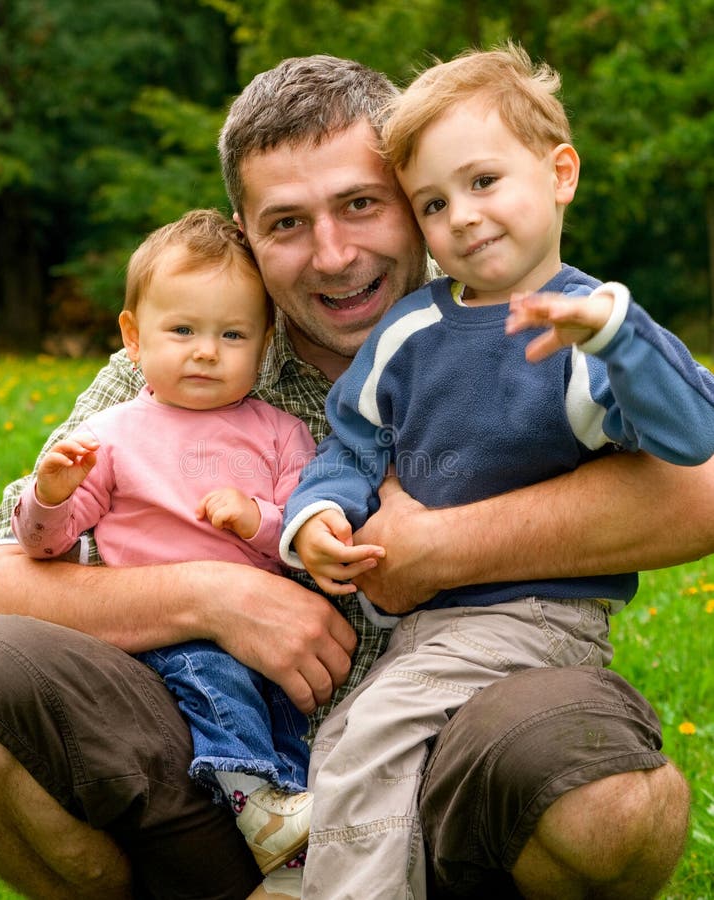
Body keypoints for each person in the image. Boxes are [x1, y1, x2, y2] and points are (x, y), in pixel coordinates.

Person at [0, 53, 708, 900]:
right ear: (243, 229)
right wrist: (215, 598)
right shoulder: (181, 358)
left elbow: (700, 477)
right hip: (214, 763)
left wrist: (441, 547)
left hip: (465, 717)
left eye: (361, 204)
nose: (334, 254)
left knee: (609, 805)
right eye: (287, 223)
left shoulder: (523, 310)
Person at [279, 44, 714, 899]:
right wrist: (317, 517)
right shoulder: (410, 332)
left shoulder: (591, 331)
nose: (463, 217)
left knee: (370, 739)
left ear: (560, 174)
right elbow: (354, 444)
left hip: (535, 619)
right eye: (433, 202)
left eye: (483, 182)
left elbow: (691, 435)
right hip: (426, 632)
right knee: (345, 746)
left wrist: (615, 335)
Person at [10, 208, 317, 877]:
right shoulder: (113, 432)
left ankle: (290, 829)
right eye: (182, 330)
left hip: (266, 629)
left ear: (264, 345)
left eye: (232, 335)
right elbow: (43, 544)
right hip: (161, 635)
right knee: (214, 677)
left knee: (290, 711)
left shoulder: (279, 432)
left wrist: (259, 517)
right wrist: (53, 493)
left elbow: (302, 530)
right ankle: (251, 797)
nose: (206, 350)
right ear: (134, 336)